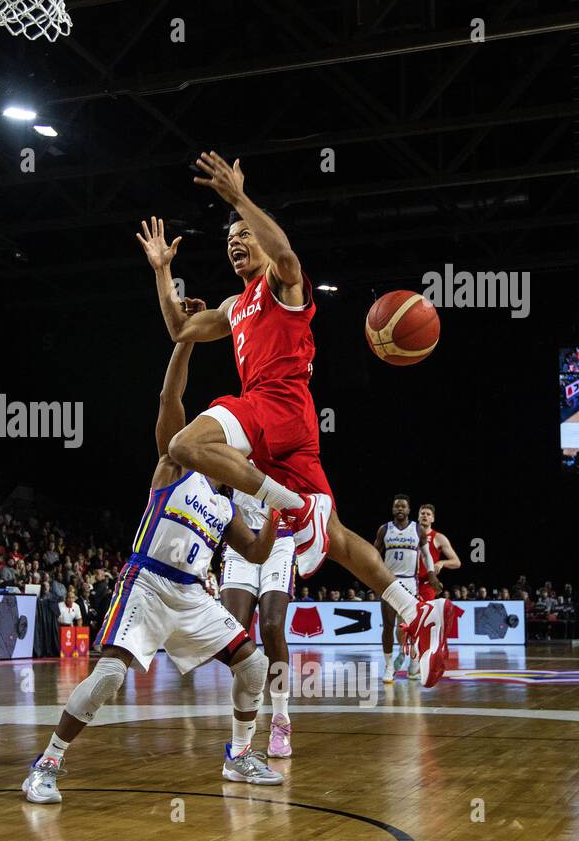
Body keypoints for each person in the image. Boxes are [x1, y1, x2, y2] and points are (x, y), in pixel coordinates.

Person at [136, 154, 448, 686]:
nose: (236, 243)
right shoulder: (235, 305)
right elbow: (177, 329)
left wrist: (238, 199)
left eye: (243, 236)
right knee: (339, 537)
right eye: (230, 239)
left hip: (274, 404)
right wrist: (163, 271)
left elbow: (284, 252)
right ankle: (415, 613)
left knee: (185, 447)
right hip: (289, 428)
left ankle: (289, 504)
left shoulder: (285, 286)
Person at [22, 340, 282, 805]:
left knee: (254, 664)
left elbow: (258, 554)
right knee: (108, 678)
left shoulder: (227, 506)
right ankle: (46, 764)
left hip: (192, 595)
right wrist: (185, 341)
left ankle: (238, 756)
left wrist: (282, 513)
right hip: (146, 581)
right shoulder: (176, 464)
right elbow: (169, 400)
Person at [219, 484, 297, 756]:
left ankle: (280, 719)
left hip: (280, 539)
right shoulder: (229, 446)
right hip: (239, 540)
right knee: (233, 635)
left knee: (272, 626)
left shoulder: (286, 447)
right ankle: (248, 711)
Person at [374, 496, 440, 682]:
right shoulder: (384, 529)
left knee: (411, 627)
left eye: (403, 506)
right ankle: (388, 666)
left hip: (410, 583)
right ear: (393, 509)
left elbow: (426, 555)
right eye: (397, 506)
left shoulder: (417, 530)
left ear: (409, 509)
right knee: (388, 626)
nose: (400, 509)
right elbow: (374, 555)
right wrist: (374, 577)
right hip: (389, 583)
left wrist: (432, 573)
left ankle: (414, 662)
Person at [415, 503, 460, 600]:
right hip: (408, 580)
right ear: (418, 517)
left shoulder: (439, 537)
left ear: (433, 519)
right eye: (422, 513)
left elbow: (457, 562)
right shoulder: (409, 534)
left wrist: (442, 562)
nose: (425, 516)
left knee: (424, 614)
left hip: (427, 583)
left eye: (428, 514)